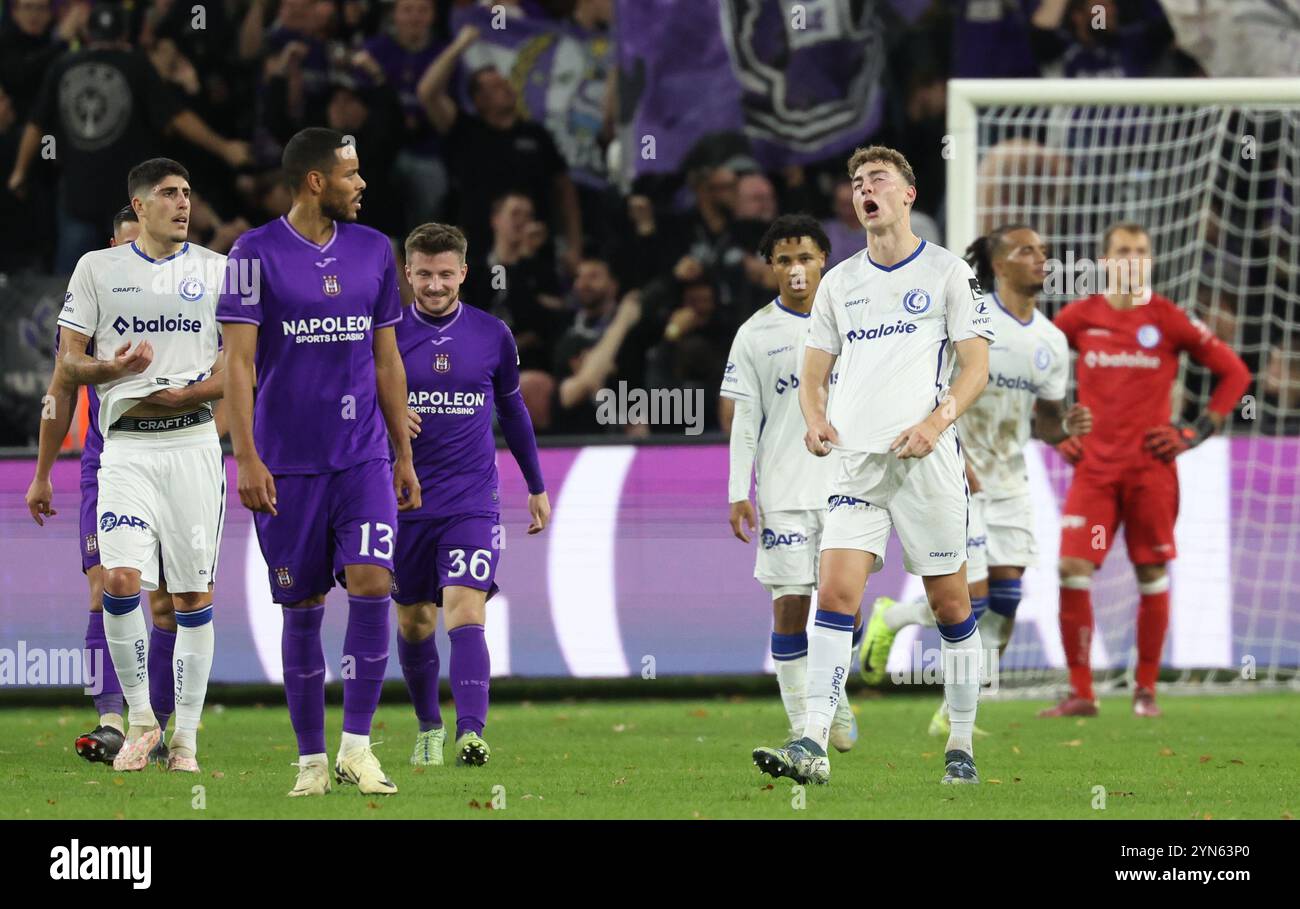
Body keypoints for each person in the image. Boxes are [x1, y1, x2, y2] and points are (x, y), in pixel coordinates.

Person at [753, 145, 994, 786]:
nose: (865, 189)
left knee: (950, 605)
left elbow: (976, 368)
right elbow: (813, 374)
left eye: (878, 179)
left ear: (908, 194)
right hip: (855, 466)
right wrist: (814, 419)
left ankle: (961, 747)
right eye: (857, 182)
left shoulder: (948, 272)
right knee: (832, 595)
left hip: (927, 462)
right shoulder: (840, 283)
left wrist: (935, 422)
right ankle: (810, 742)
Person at [218, 127, 420, 797]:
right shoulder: (252, 253)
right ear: (314, 181)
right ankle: (310, 759)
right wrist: (245, 455)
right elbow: (239, 365)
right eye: (350, 173)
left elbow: (387, 358)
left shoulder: (373, 251)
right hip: (286, 464)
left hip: (360, 457)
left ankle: (356, 747)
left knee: (370, 581)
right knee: (301, 607)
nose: (361, 184)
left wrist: (402, 452)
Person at [860, 223, 1092, 737]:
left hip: (1011, 480)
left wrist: (1064, 428)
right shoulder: (970, 315)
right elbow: (933, 388)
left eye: (1044, 250)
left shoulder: (1052, 341)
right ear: (999, 263)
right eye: (1026, 250)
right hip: (958, 472)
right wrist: (952, 451)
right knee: (976, 598)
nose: (1041, 258)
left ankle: (954, 712)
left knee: (1006, 601)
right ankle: (893, 620)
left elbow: (1046, 421)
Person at [53, 158, 228, 773]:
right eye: (169, 194)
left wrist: (190, 394)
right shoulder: (97, 269)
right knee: (120, 581)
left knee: (191, 597)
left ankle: (187, 741)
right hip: (125, 448)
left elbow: (244, 366)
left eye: (187, 193)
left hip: (193, 447)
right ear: (140, 204)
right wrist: (114, 371)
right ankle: (140, 720)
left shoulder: (218, 271)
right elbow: (69, 364)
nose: (183, 203)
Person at [1043, 222, 1251, 718]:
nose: (1133, 258)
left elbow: (1236, 373)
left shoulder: (1169, 319)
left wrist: (1195, 431)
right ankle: (1082, 693)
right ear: (1105, 260)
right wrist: (1056, 430)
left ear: (1151, 260)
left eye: (1141, 251)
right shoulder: (1079, 318)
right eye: (1122, 250)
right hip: (1095, 475)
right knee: (1075, 567)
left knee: (1150, 571)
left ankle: (1146, 691)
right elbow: (1037, 363)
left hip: (1150, 474)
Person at [25, 204, 182, 766]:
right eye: (126, 247)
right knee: (107, 585)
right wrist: (43, 473)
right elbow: (59, 390)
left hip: (177, 459)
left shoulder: (184, 300)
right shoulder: (90, 305)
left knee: (165, 602)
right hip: (108, 461)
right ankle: (111, 718)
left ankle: (155, 725)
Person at [393, 222, 549, 767]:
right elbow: (350, 405)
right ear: (407, 272)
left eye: (445, 274)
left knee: (465, 608)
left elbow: (514, 411)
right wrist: (385, 417)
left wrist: (535, 484)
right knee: (414, 621)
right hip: (404, 500)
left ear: (463, 272)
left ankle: (470, 733)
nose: (434, 285)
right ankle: (429, 727)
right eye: (424, 274)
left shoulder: (492, 335)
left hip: (471, 500)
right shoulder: (383, 334)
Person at [721, 214, 862, 755]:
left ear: (824, 258)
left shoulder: (854, 321)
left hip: (850, 485)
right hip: (783, 494)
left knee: (844, 603)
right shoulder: (755, 333)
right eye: (784, 260)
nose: (797, 269)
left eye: (805, 257)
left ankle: (832, 695)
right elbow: (745, 420)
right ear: (771, 268)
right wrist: (739, 490)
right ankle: (807, 724)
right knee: (790, 606)